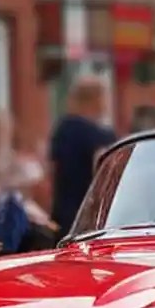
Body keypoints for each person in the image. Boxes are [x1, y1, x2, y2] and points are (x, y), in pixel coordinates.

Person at [50, 75, 115, 235]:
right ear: (97, 99)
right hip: (92, 217)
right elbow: (105, 176)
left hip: (64, 212)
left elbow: (51, 172)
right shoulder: (100, 135)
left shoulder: (62, 129)